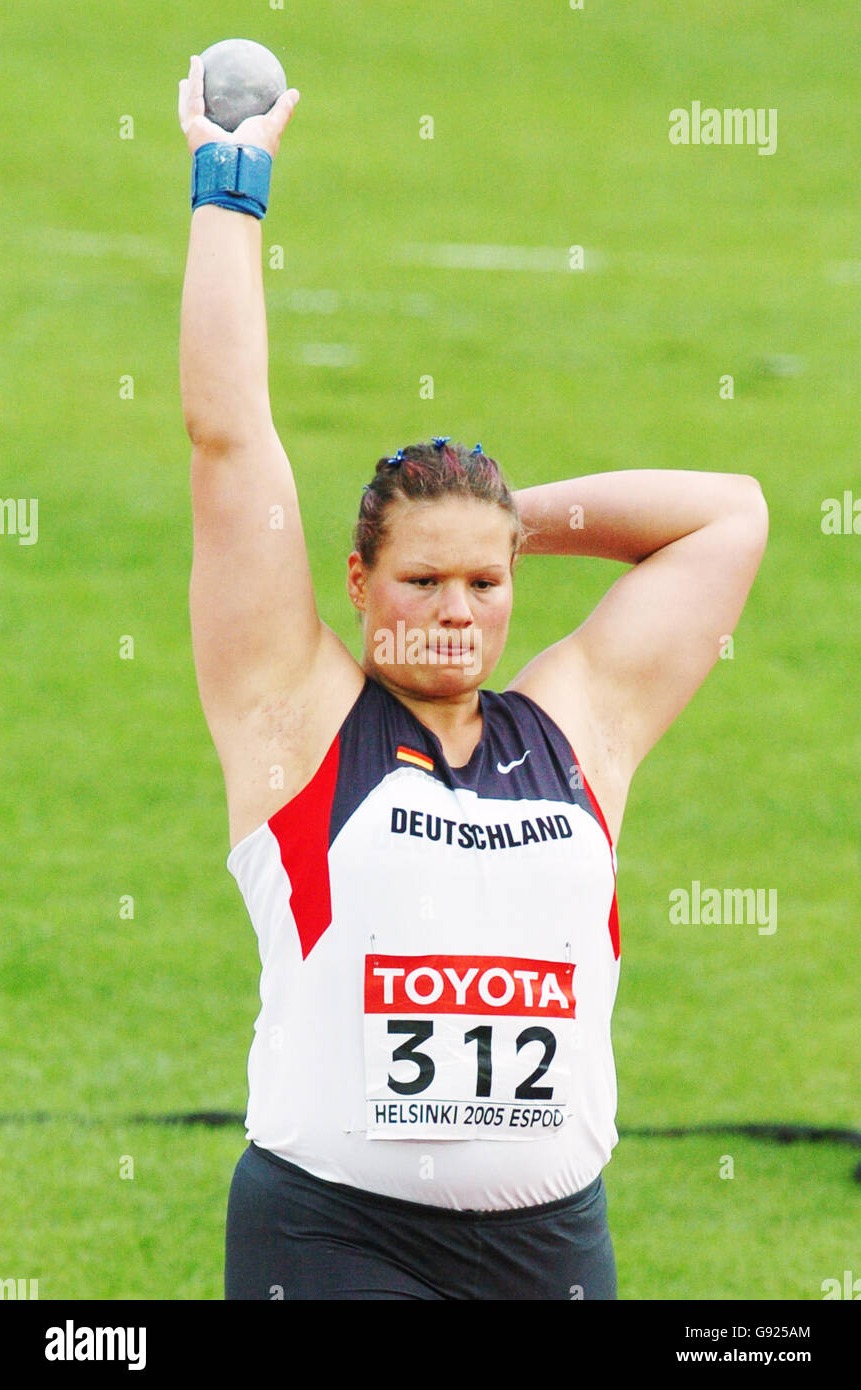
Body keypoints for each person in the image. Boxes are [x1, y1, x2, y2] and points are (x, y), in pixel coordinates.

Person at [177, 56, 768, 1301]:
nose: (453, 614)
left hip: (551, 1247)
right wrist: (229, 188)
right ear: (354, 579)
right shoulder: (297, 719)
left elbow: (731, 519)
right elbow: (229, 438)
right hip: (333, 1239)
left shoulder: (576, 727)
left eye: (482, 585)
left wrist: (494, 521)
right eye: (417, 581)